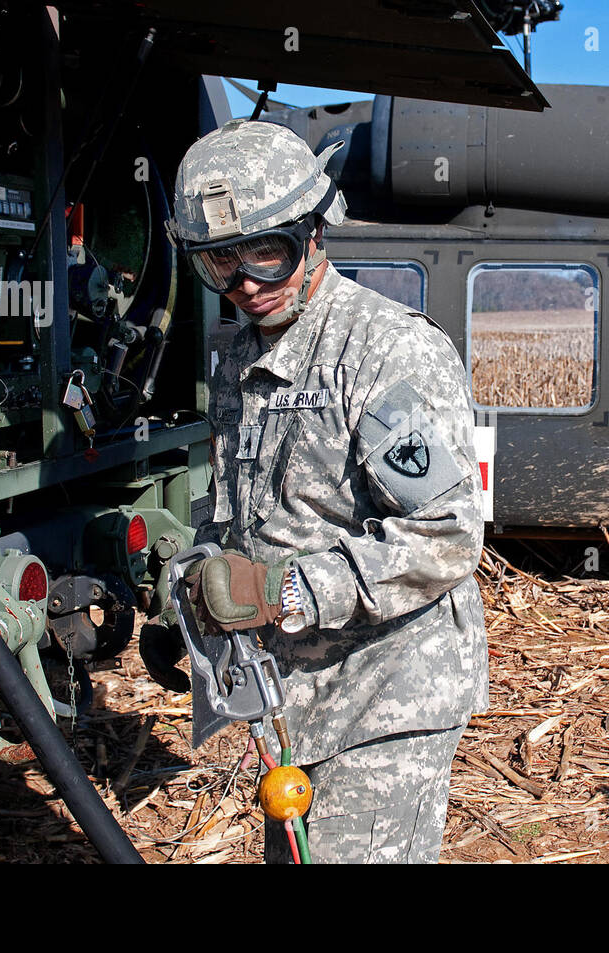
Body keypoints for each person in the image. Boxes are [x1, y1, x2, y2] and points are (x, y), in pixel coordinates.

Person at [160, 119, 487, 863]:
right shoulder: (239, 358)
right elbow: (236, 511)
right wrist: (195, 582)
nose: (244, 283)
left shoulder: (384, 349)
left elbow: (447, 533)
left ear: (314, 234)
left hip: (385, 694)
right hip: (293, 697)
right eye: (219, 265)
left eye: (265, 253)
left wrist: (284, 589)